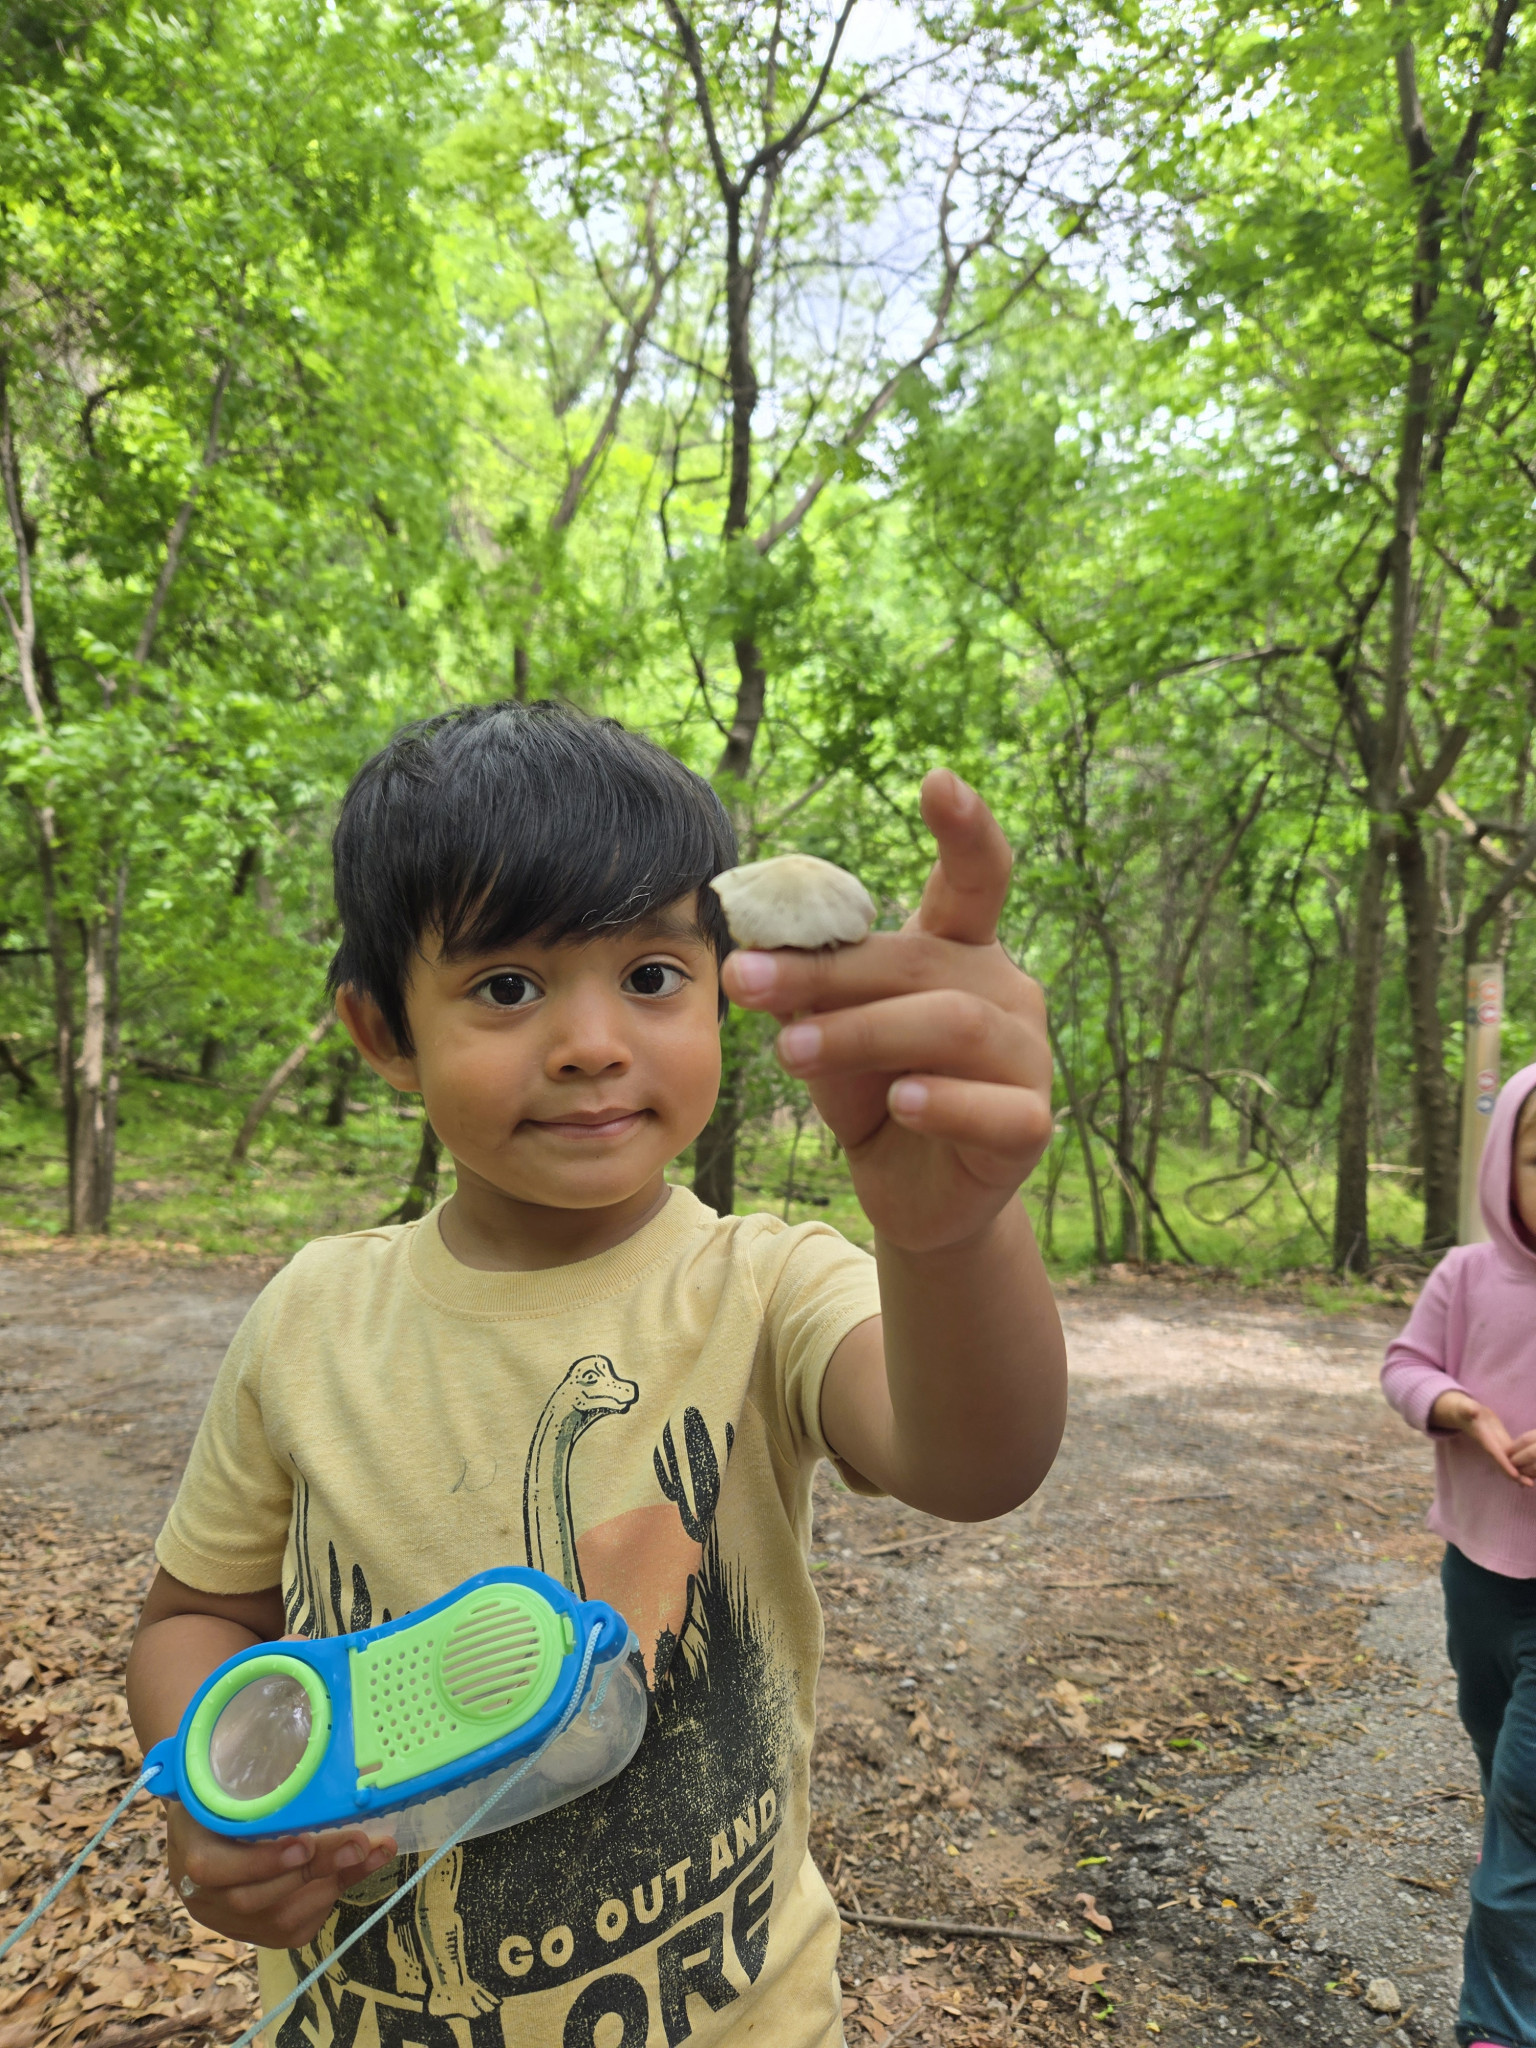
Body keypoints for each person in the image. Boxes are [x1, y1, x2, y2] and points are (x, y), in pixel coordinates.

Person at [125, 700, 1067, 2046]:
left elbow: (978, 1459)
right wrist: (220, 1801)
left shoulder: (767, 1284)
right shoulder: (311, 1316)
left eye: (651, 976)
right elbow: (191, 1619)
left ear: (727, 989)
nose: (591, 1042)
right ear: (382, 1029)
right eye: (506, 987)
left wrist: (956, 1232)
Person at [1382, 1061, 1536, 2048]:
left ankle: (1495, 2026)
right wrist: (1457, 1406)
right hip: (1477, 1578)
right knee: (1504, 1783)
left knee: (1521, 1822)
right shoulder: (1466, 1276)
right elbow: (1405, 1364)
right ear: (1504, 1163)